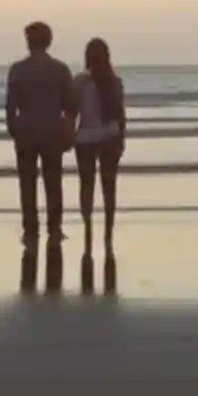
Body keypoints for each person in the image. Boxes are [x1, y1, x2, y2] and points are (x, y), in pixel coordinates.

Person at [5, 21, 77, 242]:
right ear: (49, 41)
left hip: (27, 131)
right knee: (53, 182)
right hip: (51, 132)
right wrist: (68, 128)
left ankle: (30, 229)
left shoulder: (18, 69)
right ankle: (54, 227)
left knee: (27, 183)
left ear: (28, 42)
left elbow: (10, 106)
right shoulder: (60, 69)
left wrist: (14, 128)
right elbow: (71, 105)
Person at [73, 38, 126, 259]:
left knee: (87, 185)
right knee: (109, 186)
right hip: (110, 137)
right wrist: (122, 138)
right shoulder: (114, 81)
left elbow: (72, 110)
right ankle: (108, 230)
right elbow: (121, 114)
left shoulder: (80, 81)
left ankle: (87, 227)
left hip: (85, 137)